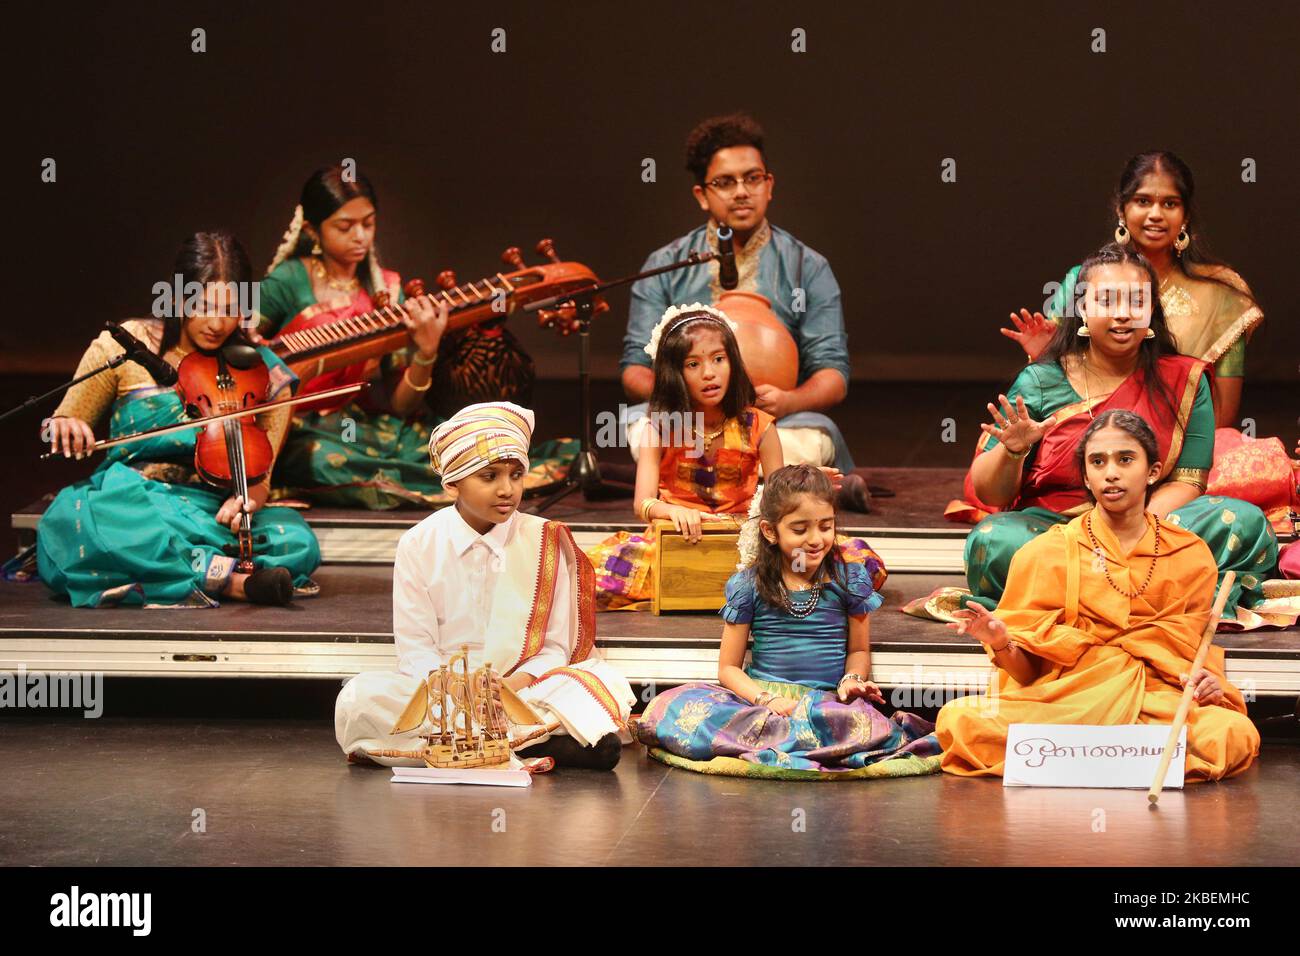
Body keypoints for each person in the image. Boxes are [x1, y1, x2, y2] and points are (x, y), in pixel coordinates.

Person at [937, 410, 1261, 782]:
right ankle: (1130, 757)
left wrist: (1207, 683)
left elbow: (1189, 658)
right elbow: (1026, 676)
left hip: (1152, 700)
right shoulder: (1045, 553)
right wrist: (1001, 641)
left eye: (1125, 459)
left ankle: (1079, 756)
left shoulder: (1190, 555)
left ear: (1153, 471)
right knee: (959, 720)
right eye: (1097, 462)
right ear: (1086, 478)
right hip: (1065, 701)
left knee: (1231, 734)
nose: (1111, 472)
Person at [962, 243, 1278, 621]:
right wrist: (1011, 453)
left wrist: (1132, 530)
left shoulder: (1185, 378)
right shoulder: (1040, 380)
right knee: (994, 539)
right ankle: (1148, 598)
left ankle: (1086, 597)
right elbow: (987, 491)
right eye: (1107, 301)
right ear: (1082, 308)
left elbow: (1189, 481)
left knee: (1241, 521)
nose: (1123, 315)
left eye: (1136, 302)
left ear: (1152, 310)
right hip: (1063, 530)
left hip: (1152, 524)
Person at [335, 401, 634, 770]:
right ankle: (533, 744)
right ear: (452, 484)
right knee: (358, 698)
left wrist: (507, 688)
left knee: (590, 682)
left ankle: (477, 744)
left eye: (516, 475)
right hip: (442, 693)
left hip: (518, 690)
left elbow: (555, 648)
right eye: (489, 477)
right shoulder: (419, 543)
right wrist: (462, 695)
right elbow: (415, 650)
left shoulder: (544, 540)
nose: (507, 489)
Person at [256, 166, 573, 509]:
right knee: (318, 459)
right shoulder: (288, 281)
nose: (361, 236)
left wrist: (425, 351)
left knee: (457, 445)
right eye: (345, 227)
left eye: (369, 223)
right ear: (312, 230)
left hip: (360, 426)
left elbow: (401, 404)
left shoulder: (388, 292)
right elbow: (239, 345)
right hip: (296, 429)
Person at [37, 233, 321, 607]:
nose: (218, 324)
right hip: (133, 500)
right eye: (203, 305)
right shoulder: (126, 345)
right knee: (78, 518)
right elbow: (62, 421)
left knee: (298, 541)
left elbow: (260, 482)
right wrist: (62, 425)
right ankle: (231, 581)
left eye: (231, 309)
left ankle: (190, 570)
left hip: (210, 513)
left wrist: (250, 500)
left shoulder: (266, 374)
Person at [620, 112, 869, 509]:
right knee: (636, 425)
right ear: (702, 194)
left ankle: (745, 492)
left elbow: (833, 373)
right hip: (687, 420)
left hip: (774, 421)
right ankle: (783, 490)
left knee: (809, 435)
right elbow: (634, 368)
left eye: (752, 178)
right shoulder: (665, 264)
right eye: (725, 182)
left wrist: (787, 401)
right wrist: (682, 392)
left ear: (769, 186)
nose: (741, 192)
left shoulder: (808, 267)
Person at [631, 465, 939, 778]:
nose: (816, 539)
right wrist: (767, 699)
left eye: (825, 526)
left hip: (823, 702)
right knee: (679, 707)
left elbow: (858, 652)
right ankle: (789, 742)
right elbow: (728, 668)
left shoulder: (850, 580)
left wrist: (852, 682)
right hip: (764, 700)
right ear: (769, 531)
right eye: (800, 529)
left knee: (851, 725)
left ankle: (787, 743)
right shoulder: (749, 585)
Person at [590, 304, 884, 610]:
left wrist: (803, 484)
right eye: (693, 364)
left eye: (719, 359)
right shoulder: (660, 427)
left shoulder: (759, 424)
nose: (709, 373)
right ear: (674, 372)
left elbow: (777, 494)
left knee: (859, 564)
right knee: (592, 575)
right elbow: (643, 503)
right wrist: (670, 512)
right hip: (678, 538)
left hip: (745, 540)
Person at [1002, 151, 1263, 428]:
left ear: (1185, 214)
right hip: (1094, 443)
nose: (1155, 215)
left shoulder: (1223, 293)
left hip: (1185, 441)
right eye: (1143, 201)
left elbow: (1223, 416)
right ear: (1121, 209)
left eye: (1170, 204)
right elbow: (1053, 400)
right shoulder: (1083, 281)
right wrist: (1046, 355)